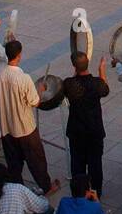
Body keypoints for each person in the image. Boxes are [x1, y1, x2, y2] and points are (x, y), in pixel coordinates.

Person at [0, 40, 60, 196]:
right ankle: (46, 186)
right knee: (36, 160)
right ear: (19, 55)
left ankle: (17, 189)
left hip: (6, 126)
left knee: (13, 161)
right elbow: (35, 102)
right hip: (24, 128)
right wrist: (40, 90)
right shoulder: (23, 78)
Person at [43, 52, 111, 196]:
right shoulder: (97, 83)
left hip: (76, 131)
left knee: (77, 164)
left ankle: (78, 192)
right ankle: (96, 193)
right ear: (88, 63)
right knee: (95, 164)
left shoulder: (68, 83)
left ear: (74, 66)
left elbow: (58, 93)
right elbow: (105, 90)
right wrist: (102, 72)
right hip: (94, 132)